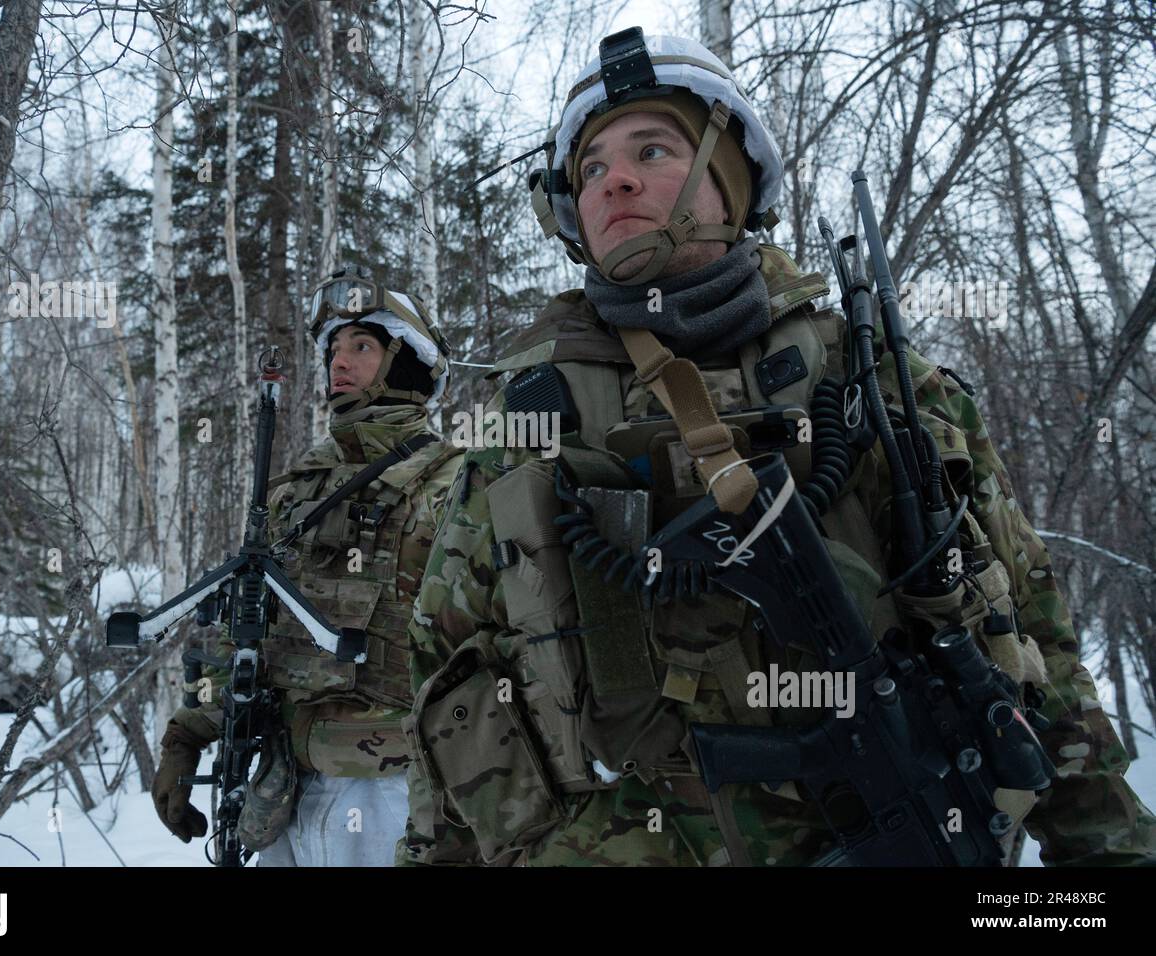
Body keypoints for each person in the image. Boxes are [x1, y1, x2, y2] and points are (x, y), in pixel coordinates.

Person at [397, 29, 1156, 866]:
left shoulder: (878, 381)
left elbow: (1033, 633)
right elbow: (447, 678)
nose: (614, 179)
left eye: (653, 149)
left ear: (734, 179)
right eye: (589, 169)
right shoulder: (526, 422)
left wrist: (1104, 856)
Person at [153, 270, 462, 865]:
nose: (338, 363)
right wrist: (187, 734)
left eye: (362, 346)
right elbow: (243, 627)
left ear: (409, 363)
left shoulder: (454, 485)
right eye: (333, 350)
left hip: (395, 797)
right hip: (282, 787)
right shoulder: (294, 494)